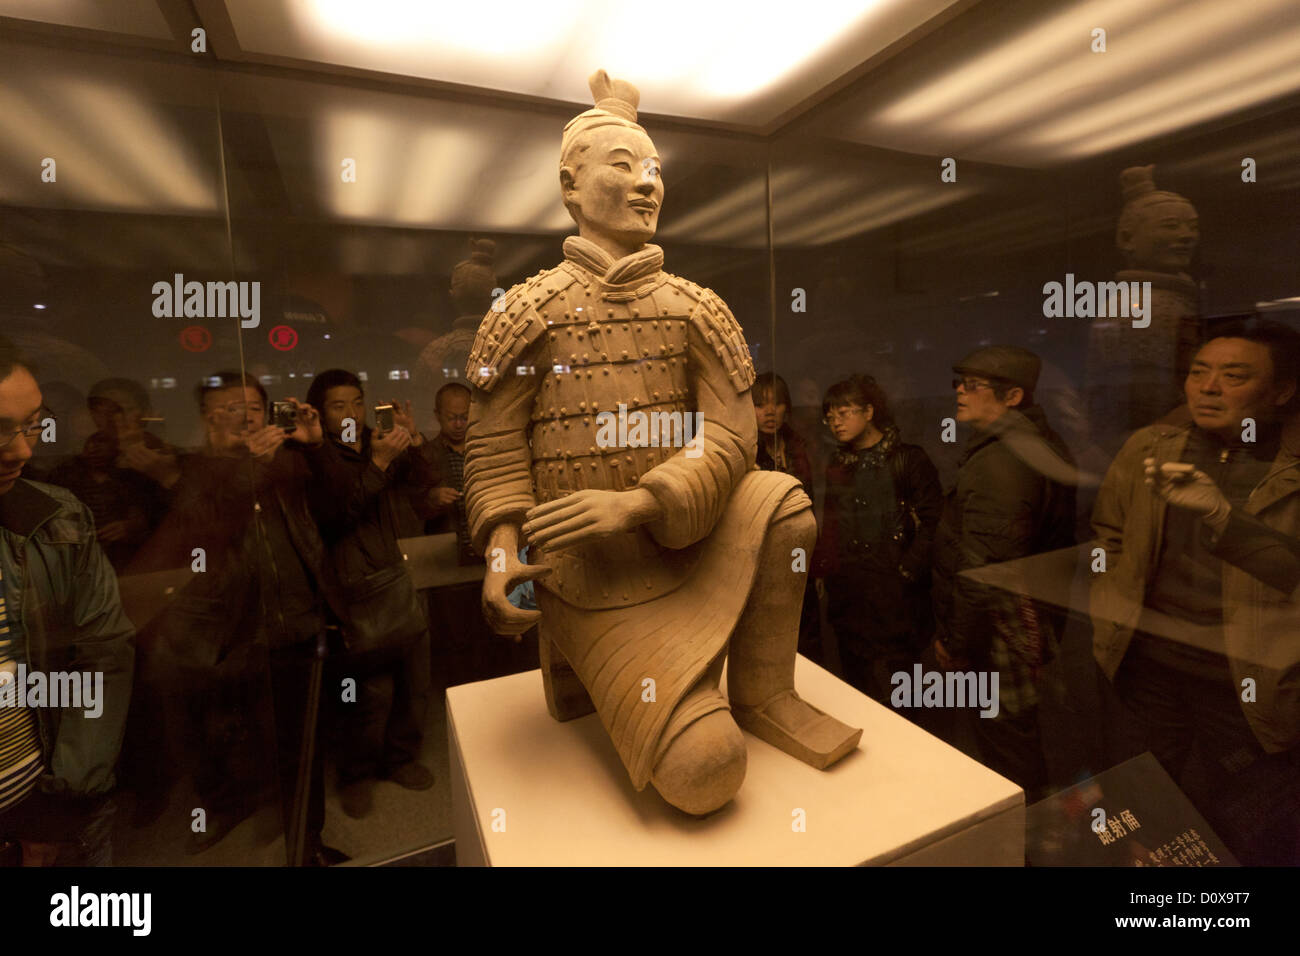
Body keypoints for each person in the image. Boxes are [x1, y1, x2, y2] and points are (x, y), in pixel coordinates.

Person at [462, 70, 859, 816]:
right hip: (588, 576)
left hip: (684, 542)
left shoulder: (696, 308)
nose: (648, 184)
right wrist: (500, 554)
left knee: (783, 503)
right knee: (708, 772)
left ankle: (766, 688)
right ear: (570, 185)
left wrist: (642, 501)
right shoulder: (524, 311)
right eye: (624, 164)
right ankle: (663, 694)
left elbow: (733, 437)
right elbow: (492, 450)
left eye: (655, 170)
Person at [1091, 321, 1300, 864]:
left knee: (1251, 820)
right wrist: (1110, 611)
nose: (1208, 387)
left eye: (1233, 376)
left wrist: (1223, 516)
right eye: (1198, 373)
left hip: (1248, 681)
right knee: (1139, 807)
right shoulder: (1153, 444)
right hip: (1150, 665)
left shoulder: (1289, 468)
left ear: (1282, 390)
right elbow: (1109, 535)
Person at [130, 371, 348, 865]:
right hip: (223, 633)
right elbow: (199, 535)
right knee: (217, 739)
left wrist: (316, 446)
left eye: (253, 406)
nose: (245, 416)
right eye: (229, 408)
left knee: (301, 743)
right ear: (208, 419)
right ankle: (224, 812)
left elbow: (340, 506)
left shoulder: (288, 458)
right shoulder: (191, 470)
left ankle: (306, 840)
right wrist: (249, 464)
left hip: (295, 621)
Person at [0, 336, 134, 865]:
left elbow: (102, 654)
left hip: (52, 794)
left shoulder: (58, 519)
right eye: (0, 429)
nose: (23, 449)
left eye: (32, 423)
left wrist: (68, 794)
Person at [931, 346, 1076, 801]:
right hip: (1015, 624)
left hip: (1000, 634)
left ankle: (1026, 844)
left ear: (1012, 396)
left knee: (1007, 750)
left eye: (972, 386)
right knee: (1010, 740)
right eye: (958, 382)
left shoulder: (1003, 462)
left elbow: (987, 572)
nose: (959, 392)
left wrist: (957, 644)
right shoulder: (1023, 443)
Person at [306, 369, 436, 819]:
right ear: (321, 414)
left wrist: (414, 441)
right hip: (349, 589)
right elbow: (336, 516)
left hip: (393, 577)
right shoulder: (315, 457)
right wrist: (377, 465)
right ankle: (355, 774)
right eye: (339, 406)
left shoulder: (375, 442)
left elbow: (423, 485)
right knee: (364, 696)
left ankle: (401, 758)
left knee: (414, 681)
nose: (351, 413)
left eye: (357, 402)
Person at [813, 374, 941, 704]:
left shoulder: (908, 460)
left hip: (897, 596)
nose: (835, 423)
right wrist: (827, 571)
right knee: (858, 690)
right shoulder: (838, 464)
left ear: (869, 412)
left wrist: (907, 571)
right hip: (851, 595)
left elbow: (934, 524)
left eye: (843, 413)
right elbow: (830, 524)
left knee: (908, 692)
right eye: (829, 416)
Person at [752, 372, 821, 662]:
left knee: (807, 638)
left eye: (777, 403)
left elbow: (812, 507)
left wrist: (815, 567)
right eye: (761, 404)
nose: (770, 411)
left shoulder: (798, 447)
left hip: (800, 555)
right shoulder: (746, 452)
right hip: (761, 560)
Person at [423, 382, 475, 563]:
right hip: (447, 555)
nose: (459, 424)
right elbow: (412, 506)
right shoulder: (426, 455)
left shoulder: (484, 451)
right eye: (452, 418)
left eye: (465, 417)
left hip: (489, 552)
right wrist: (432, 499)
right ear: (438, 415)